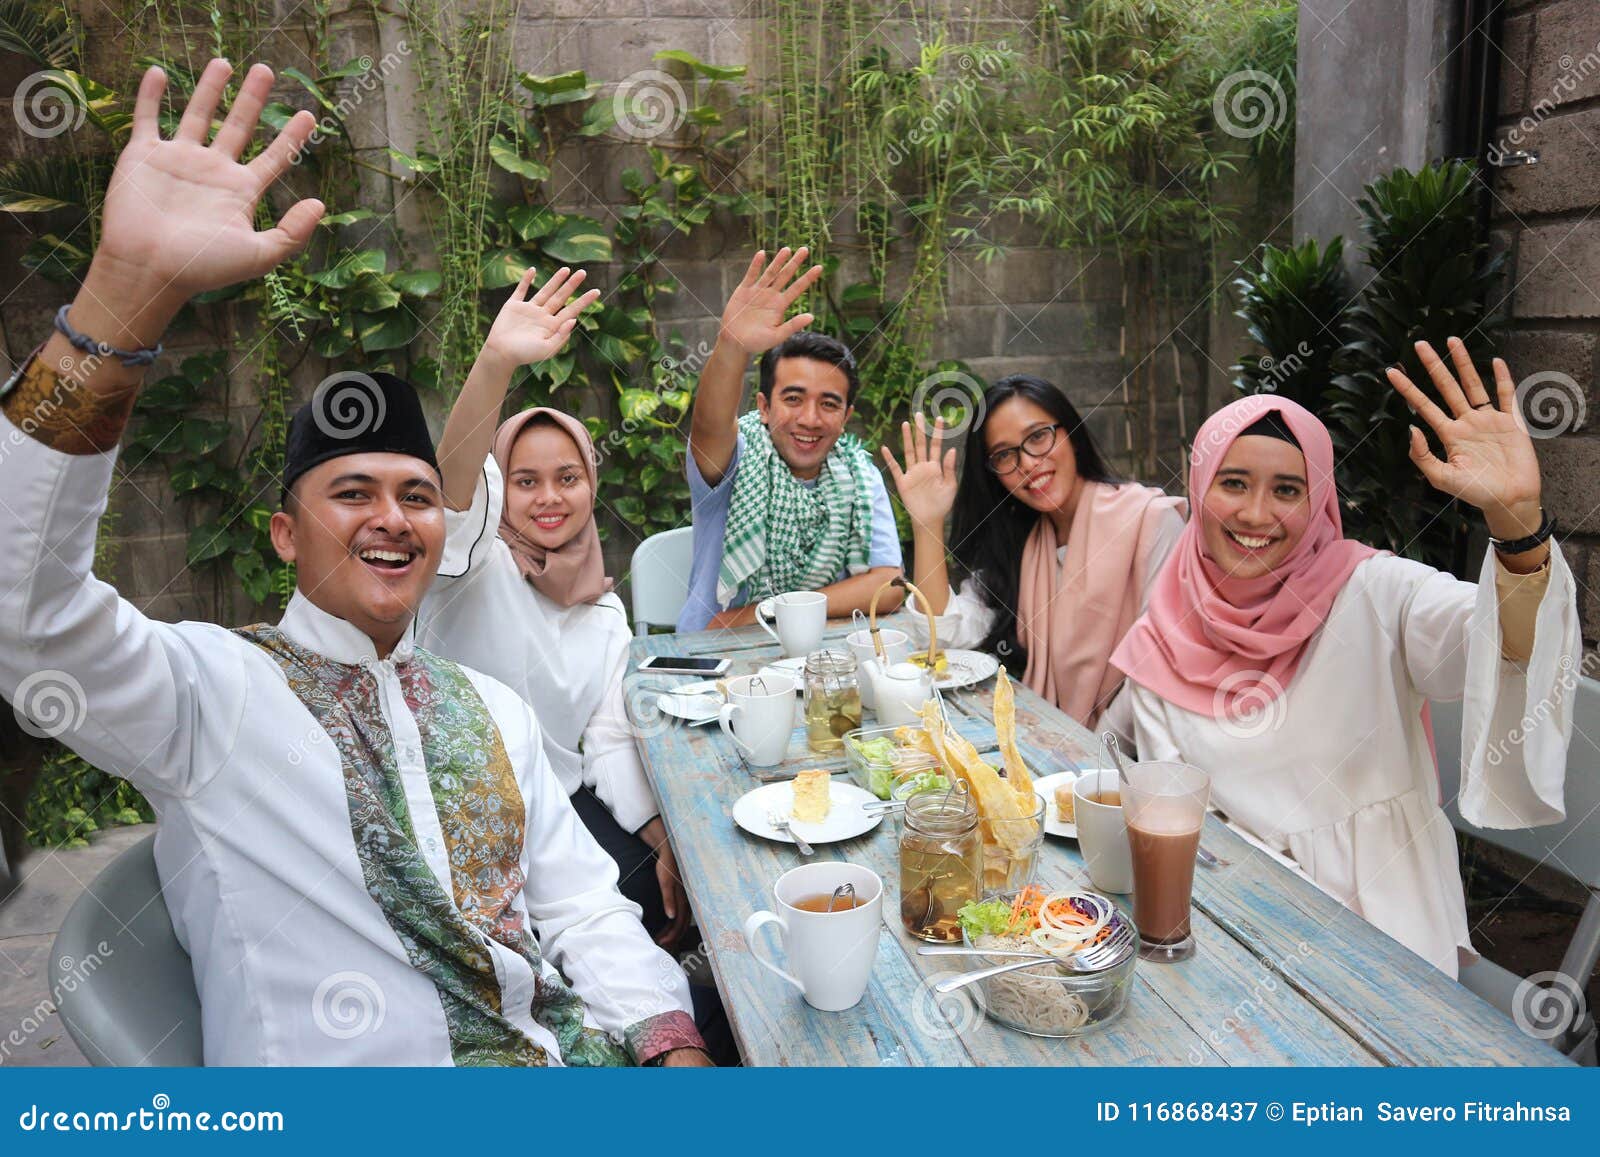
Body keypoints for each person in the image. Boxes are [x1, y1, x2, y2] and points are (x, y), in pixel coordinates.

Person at [0, 58, 708, 1066]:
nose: (395, 517)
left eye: (418, 494)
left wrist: (674, 1048)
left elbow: (585, 912)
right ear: (285, 533)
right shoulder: (209, 695)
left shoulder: (490, 709)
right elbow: (22, 605)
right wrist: (120, 298)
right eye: (352, 492)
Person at [1103, 356, 1580, 978]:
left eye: (1287, 490)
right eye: (1234, 482)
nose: (1255, 514)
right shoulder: (1174, 607)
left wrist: (1515, 524)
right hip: (1217, 923)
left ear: (1320, 500)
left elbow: (1505, 644)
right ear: (1199, 489)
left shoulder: (1375, 594)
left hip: (1374, 935)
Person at [418, 267, 690, 949]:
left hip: (559, 803)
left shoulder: (605, 613)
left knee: (663, 898)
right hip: (458, 811)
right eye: (525, 480)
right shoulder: (474, 564)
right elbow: (452, 498)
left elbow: (605, 742)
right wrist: (495, 362)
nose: (548, 498)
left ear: (590, 485)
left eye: (567, 478)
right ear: (499, 490)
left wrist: (662, 837)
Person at [881, 375, 1185, 726]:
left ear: (1071, 432)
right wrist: (927, 523)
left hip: (1136, 749)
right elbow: (946, 636)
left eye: (1038, 437)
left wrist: (1093, 748)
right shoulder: (1025, 539)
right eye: (1005, 454)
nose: (1027, 464)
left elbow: (1157, 662)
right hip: (1051, 739)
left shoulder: (1151, 521)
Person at [677, 247, 904, 632]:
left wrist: (768, 610)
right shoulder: (736, 457)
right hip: (715, 662)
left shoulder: (859, 475)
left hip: (821, 662)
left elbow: (891, 584)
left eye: (829, 404)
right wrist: (732, 345)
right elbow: (710, 426)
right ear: (764, 407)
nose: (810, 419)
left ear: (846, 417)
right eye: (793, 399)